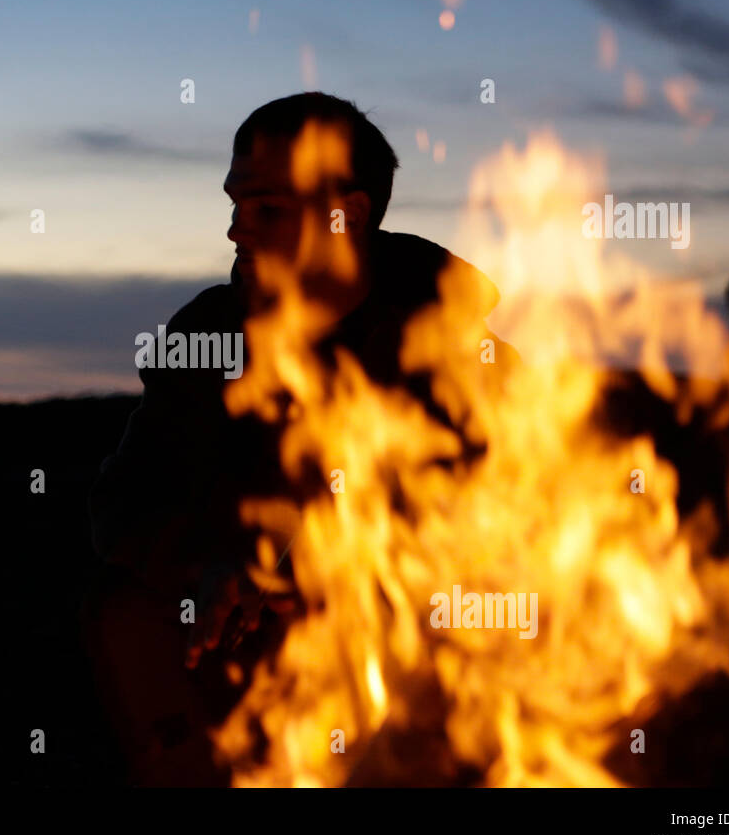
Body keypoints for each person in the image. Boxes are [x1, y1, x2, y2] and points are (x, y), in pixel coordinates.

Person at [82, 92, 513, 785]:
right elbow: (125, 505)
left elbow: (517, 514)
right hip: (257, 665)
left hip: (418, 652)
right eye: (234, 206)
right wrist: (211, 565)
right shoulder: (208, 338)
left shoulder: (452, 343)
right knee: (127, 610)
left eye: (267, 210)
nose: (235, 231)